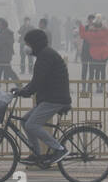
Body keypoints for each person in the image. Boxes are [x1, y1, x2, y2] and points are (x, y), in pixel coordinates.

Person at [10, 28, 71, 167]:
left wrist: (23, 92)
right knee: (25, 121)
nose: (26, 47)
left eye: (28, 44)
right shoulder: (44, 55)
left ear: (35, 44)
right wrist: (23, 90)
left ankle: (59, 149)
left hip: (55, 99)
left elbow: (37, 82)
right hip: (51, 97)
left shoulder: (46, 56)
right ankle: (36, 154)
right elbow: (36, 81)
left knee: (32, 124)